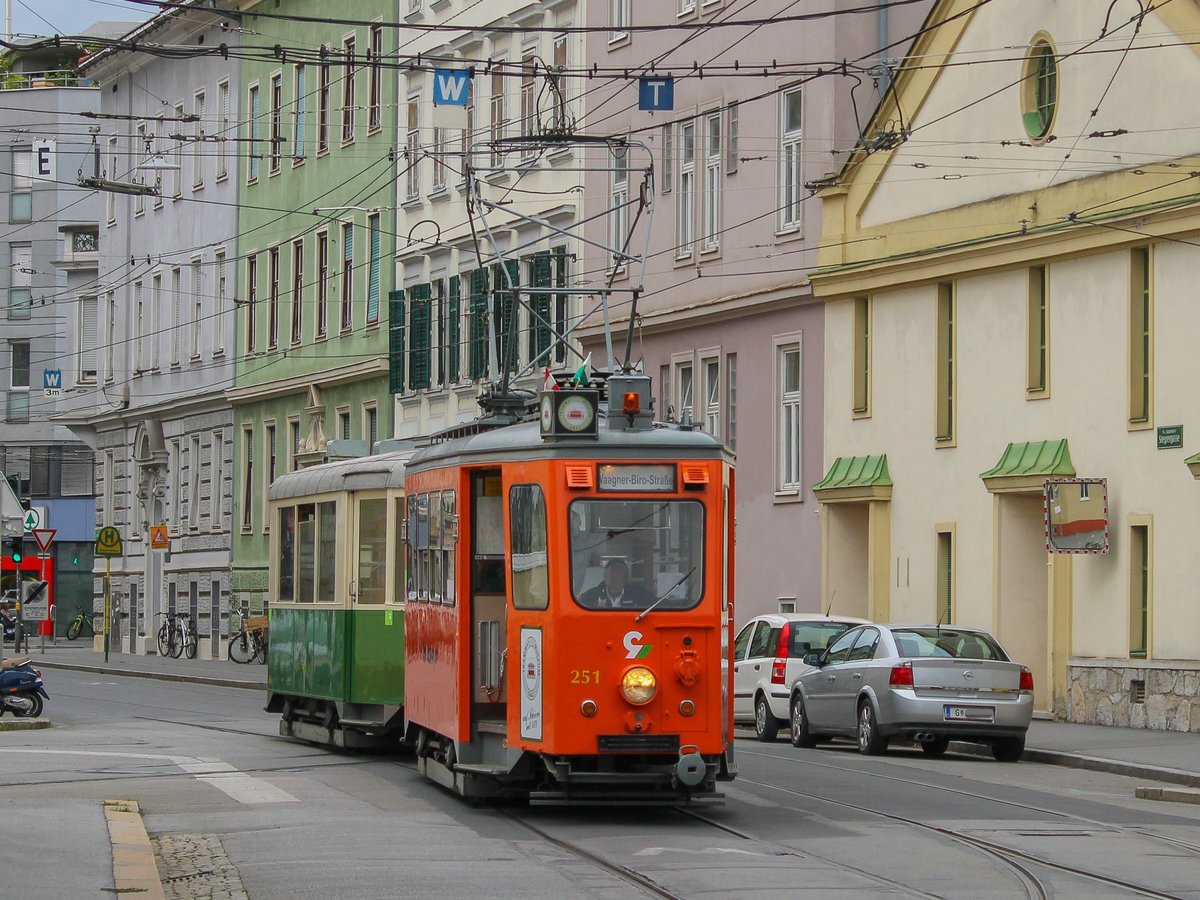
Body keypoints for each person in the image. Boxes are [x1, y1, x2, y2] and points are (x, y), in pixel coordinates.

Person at [581, 559, 654, 609]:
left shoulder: (639, 594)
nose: (616, 578)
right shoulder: (591, 595)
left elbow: (657, 605)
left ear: (625, 578)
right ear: (606, 577)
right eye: (613, 574)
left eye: (620, 574)